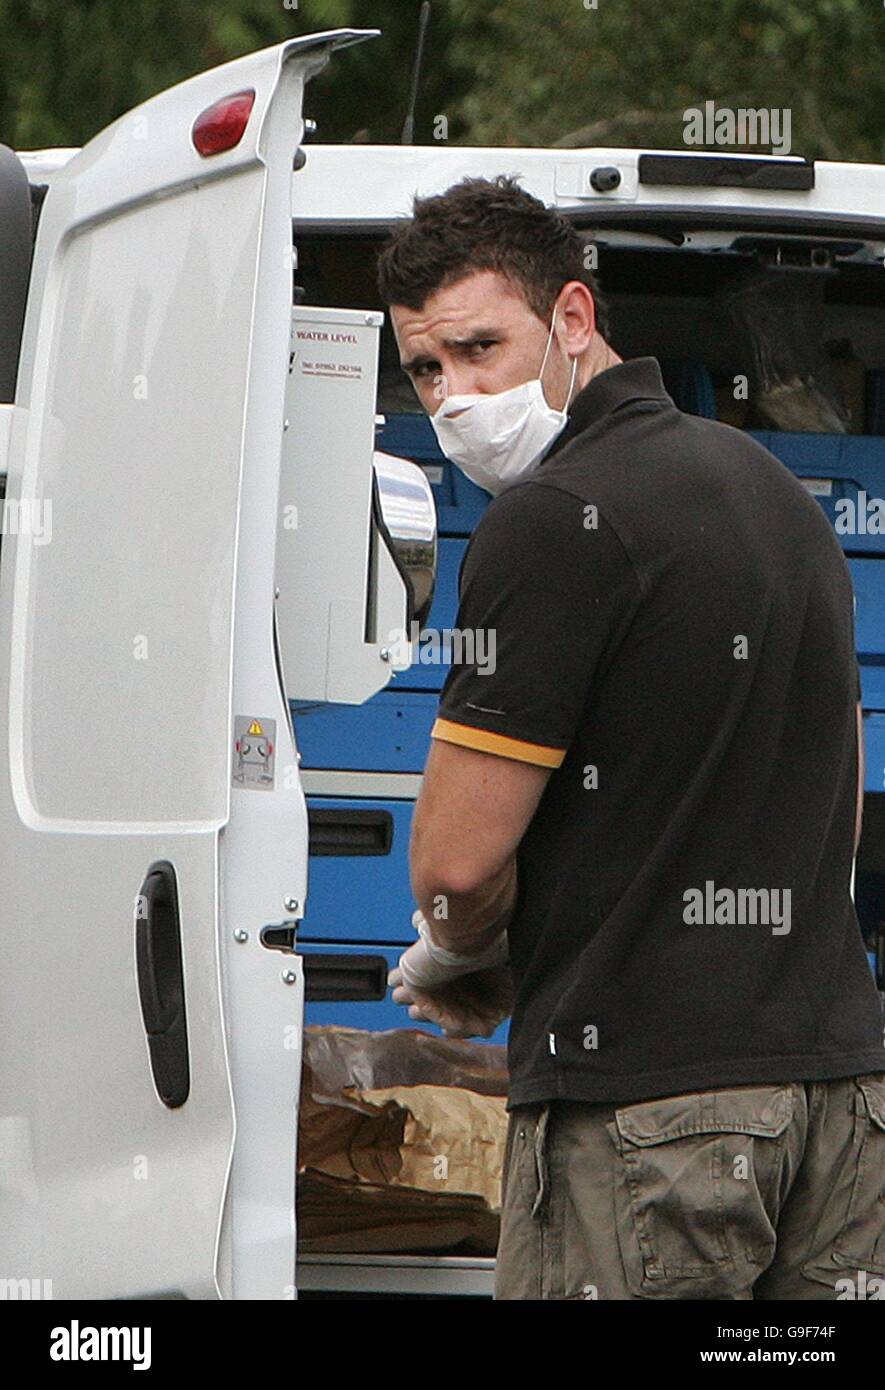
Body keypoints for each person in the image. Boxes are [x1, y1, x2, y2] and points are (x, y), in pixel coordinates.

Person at [375, 174, 885, 1300]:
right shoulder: (779, 495)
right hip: (841, 1101)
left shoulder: (549, 524)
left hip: (647, 1111)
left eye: (479, 348)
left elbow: (456, 865)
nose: (455, 397)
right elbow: (838, 802)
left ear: (572, 318)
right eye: (426, 368)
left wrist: (459, 953)